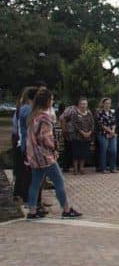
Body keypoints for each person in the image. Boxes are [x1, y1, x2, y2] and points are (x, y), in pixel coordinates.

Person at [25, 88, 82, 220]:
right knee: (59, 180)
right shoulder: (44, 118)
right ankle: (66, 210)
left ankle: (32, 211)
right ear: (46, 101)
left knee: (35, 182)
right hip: (45, 156)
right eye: (51, 99)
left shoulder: (33, 115)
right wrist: (53, 148)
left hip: (34, 155)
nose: (53, 101)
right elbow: (46, 138)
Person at [61, 97, 94, 175]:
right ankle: (75, 169)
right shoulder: (75, 113)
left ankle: (81, 168)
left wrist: (89, 132)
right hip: (77, 136)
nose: (83, 105)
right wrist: (82, 132)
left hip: (87, 136)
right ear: (79, 104)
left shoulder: (89, 113)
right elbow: (74, 124)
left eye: (85, 104)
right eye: (82, 104)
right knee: (76, 153)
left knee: (84, 153)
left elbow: (92, 124)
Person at [95, 98, 118, 173]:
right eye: (106, 103)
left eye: (109, 103)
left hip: (112, 134)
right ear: (103, 104)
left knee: (113, 150)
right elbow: (102, 125)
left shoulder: (112, 112)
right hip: (103, 134)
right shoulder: (99, 113)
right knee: (104, 150)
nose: (108, 105)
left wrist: (113, 131)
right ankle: (103, 168)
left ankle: (113, 167)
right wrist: (110, 132)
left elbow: (114, 123)